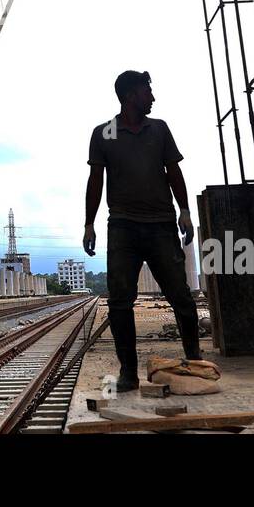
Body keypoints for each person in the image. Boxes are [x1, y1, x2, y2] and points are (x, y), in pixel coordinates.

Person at [85, 70, 201, 393]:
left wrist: (185, 211)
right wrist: (89, 222)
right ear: (130, 96)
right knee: (120, 301)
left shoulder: (159, 129)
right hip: (122, 227)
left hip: (162, 225)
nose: (152, 97)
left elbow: (173, 171)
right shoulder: (103, 133)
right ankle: (128, 372)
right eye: (147, 91)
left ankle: (195, 358)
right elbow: (95, 181)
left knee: (181, 295)